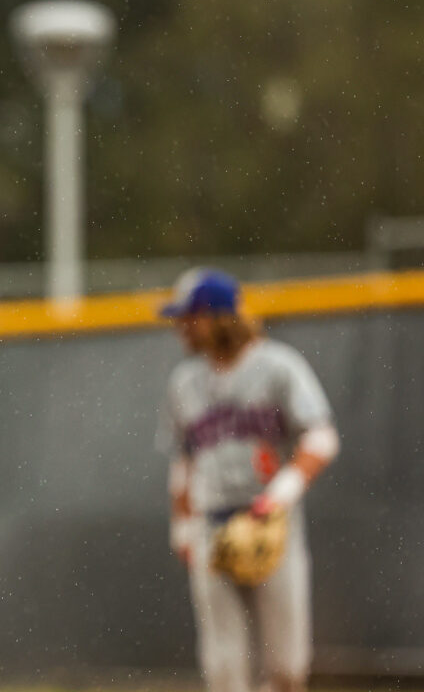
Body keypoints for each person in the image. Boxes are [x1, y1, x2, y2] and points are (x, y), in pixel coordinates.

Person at [156, 268, 339, 692]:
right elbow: (183, 462)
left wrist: (279, 497)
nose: (182, 327)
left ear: (216, 316)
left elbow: (322, 438)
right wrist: (182, 526)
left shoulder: (277, 366)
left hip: (271, 522)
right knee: (223, 664)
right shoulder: (185, 382)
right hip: (212, 524)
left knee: (288, 666)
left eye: (189, 318)